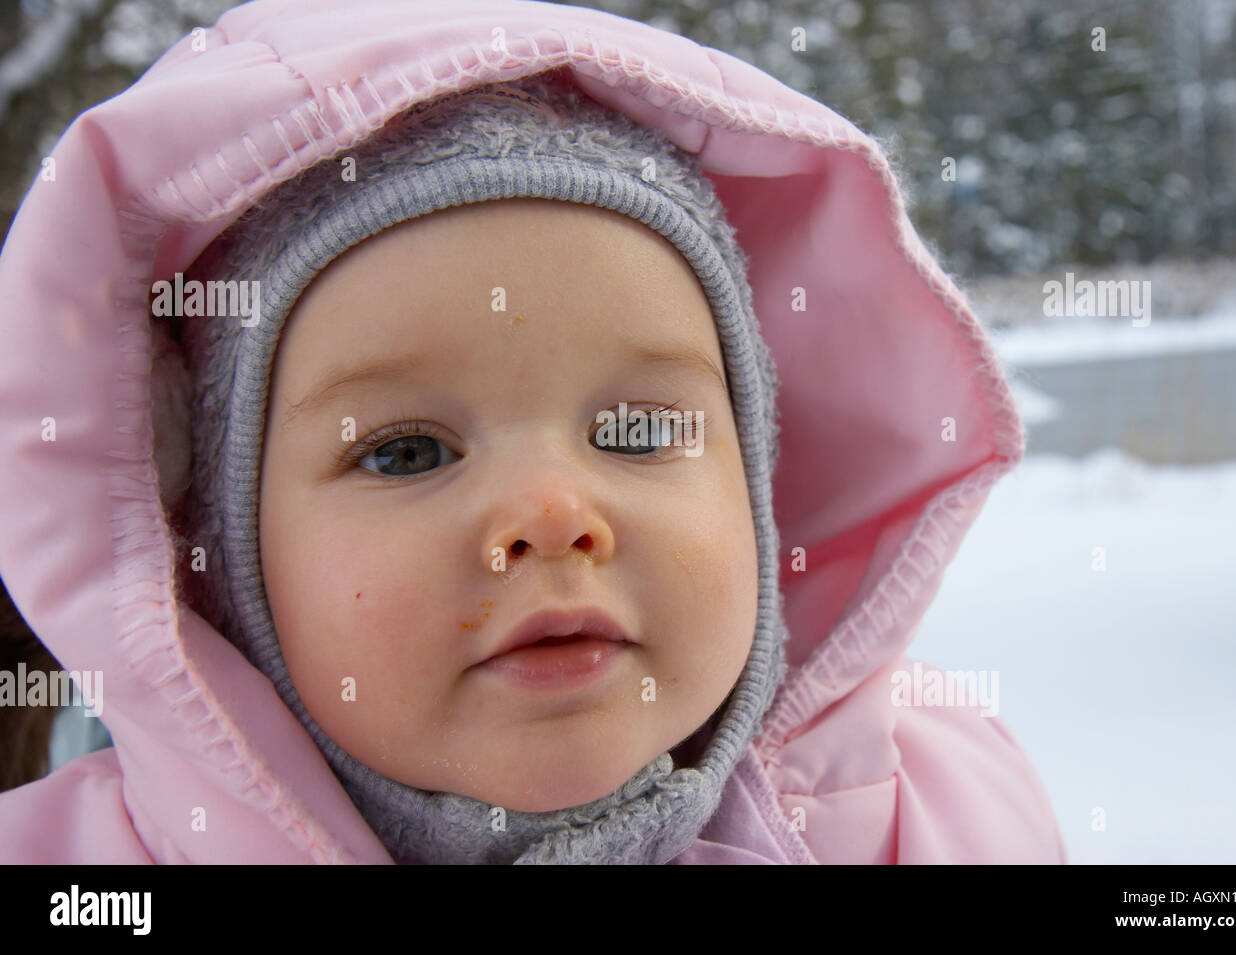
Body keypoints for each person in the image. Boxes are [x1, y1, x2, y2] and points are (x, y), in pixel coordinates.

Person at [0, 0, 1065, 864]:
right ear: (220, 559)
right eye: (407, 451)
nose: (553, 516)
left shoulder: (936, 819)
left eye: (641, 429)